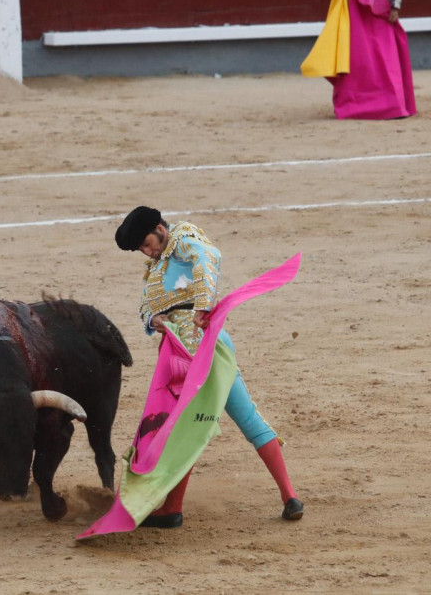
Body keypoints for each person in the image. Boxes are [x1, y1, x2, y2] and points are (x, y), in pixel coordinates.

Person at [114, 206, 304, 528]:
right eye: (142, 250)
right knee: (244, 418)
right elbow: (147, 306)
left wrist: (202, 306)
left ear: (159, 228)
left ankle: (172, 510)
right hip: (191, 350)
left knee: (186, 427)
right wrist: (154, 319)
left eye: (147, 243)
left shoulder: (182, 238)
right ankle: (290, 497)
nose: (148, 251)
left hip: (199, 348)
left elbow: (209, 255)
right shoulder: (158, 265)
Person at [306, 0, 416, 119]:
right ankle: (355, 106)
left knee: (383, 53)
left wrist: (394, 5)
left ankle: (392, 105)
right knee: (356, 55)